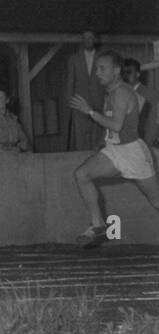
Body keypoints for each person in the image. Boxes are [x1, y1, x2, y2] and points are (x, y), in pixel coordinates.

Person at [71, 49, 159, 247]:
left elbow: (117, 125)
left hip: (133, 152)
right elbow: (139, 103)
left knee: (156, 201)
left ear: (117, 70)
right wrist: (104, 141)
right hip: (115, 150)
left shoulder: (121, 92)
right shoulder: (113, 91)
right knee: (82, 175)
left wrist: (90, 111)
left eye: (102, 69)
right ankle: (98, 225)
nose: (97, 73)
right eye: (97, 69)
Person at [66, 30, 105, 151]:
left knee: (97, 133)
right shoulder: (74, 59)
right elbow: (70, 81)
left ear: (95, 40)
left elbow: (106, 79)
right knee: (81, 136)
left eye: (91, 37)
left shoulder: (103, 57)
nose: (88, 40)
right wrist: (70, 102)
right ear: (82, 40)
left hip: (98, 101)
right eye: (85, 38)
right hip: (80, 102)